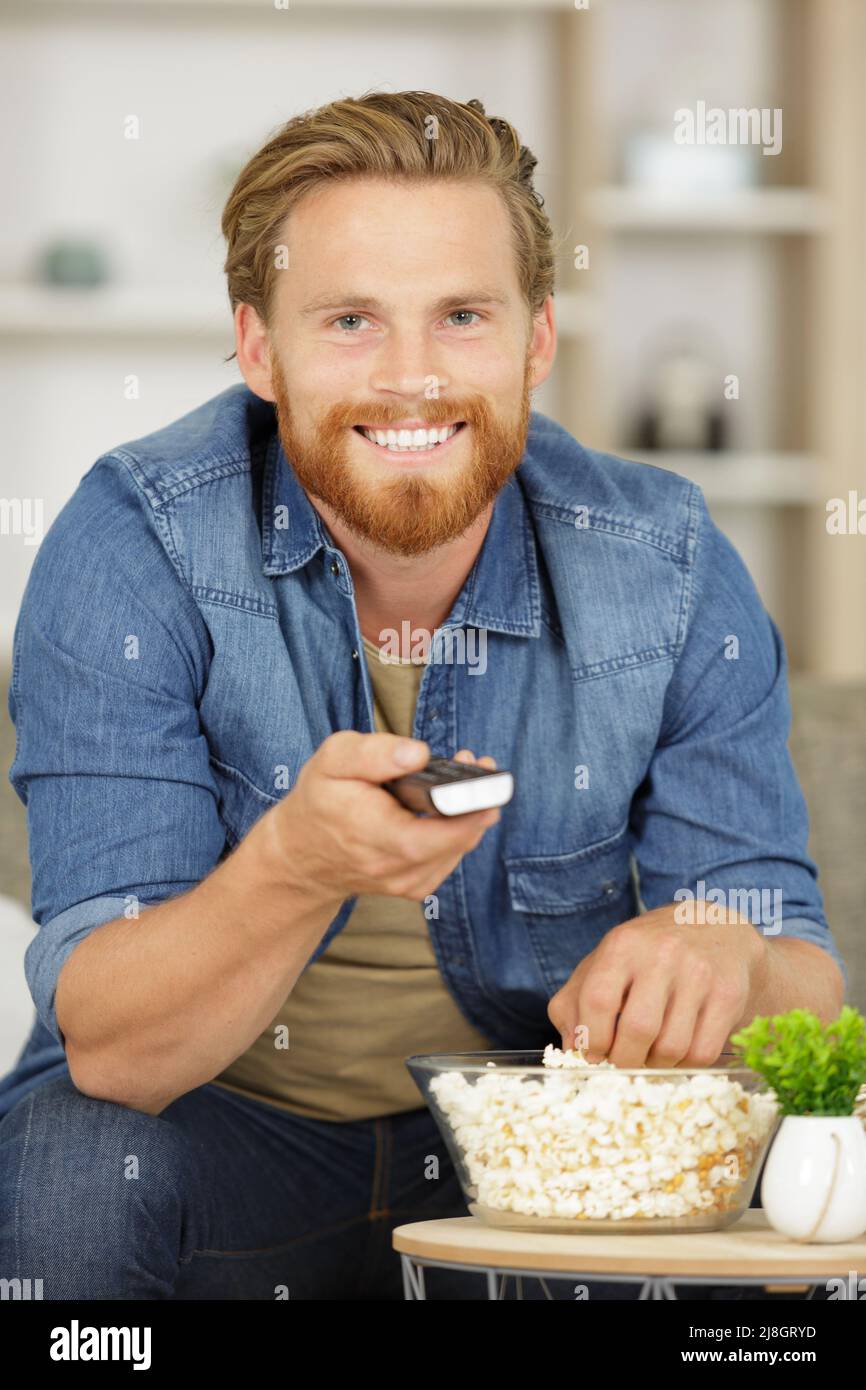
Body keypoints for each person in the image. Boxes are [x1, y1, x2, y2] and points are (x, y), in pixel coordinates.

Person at [0, 91, 847, 1301]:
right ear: (257, 349)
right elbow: (119, 1048)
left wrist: (721, 953)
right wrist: (294, 862)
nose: (410, 379)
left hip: (535, 1150)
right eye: (348, 321)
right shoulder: (136, 541)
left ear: (535, 339)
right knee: (72, 1173)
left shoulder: (661, 560)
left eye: (461, 316)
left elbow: (800, 975)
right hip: (215, 1135)